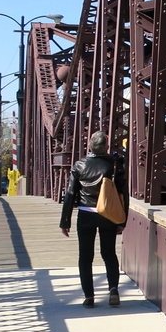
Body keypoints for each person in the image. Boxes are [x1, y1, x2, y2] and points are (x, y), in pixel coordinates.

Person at [59, 131, 128, 308]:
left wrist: (65, 221)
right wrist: (122, 220)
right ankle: (113, 290)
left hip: (85, 215)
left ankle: (89, 297)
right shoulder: (114, 164)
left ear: (90, 146)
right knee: (109, 253)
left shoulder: (80, 165)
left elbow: (70, 194)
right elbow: (123, 193)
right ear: (106, 147)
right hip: (107, 214)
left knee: (85, 256)